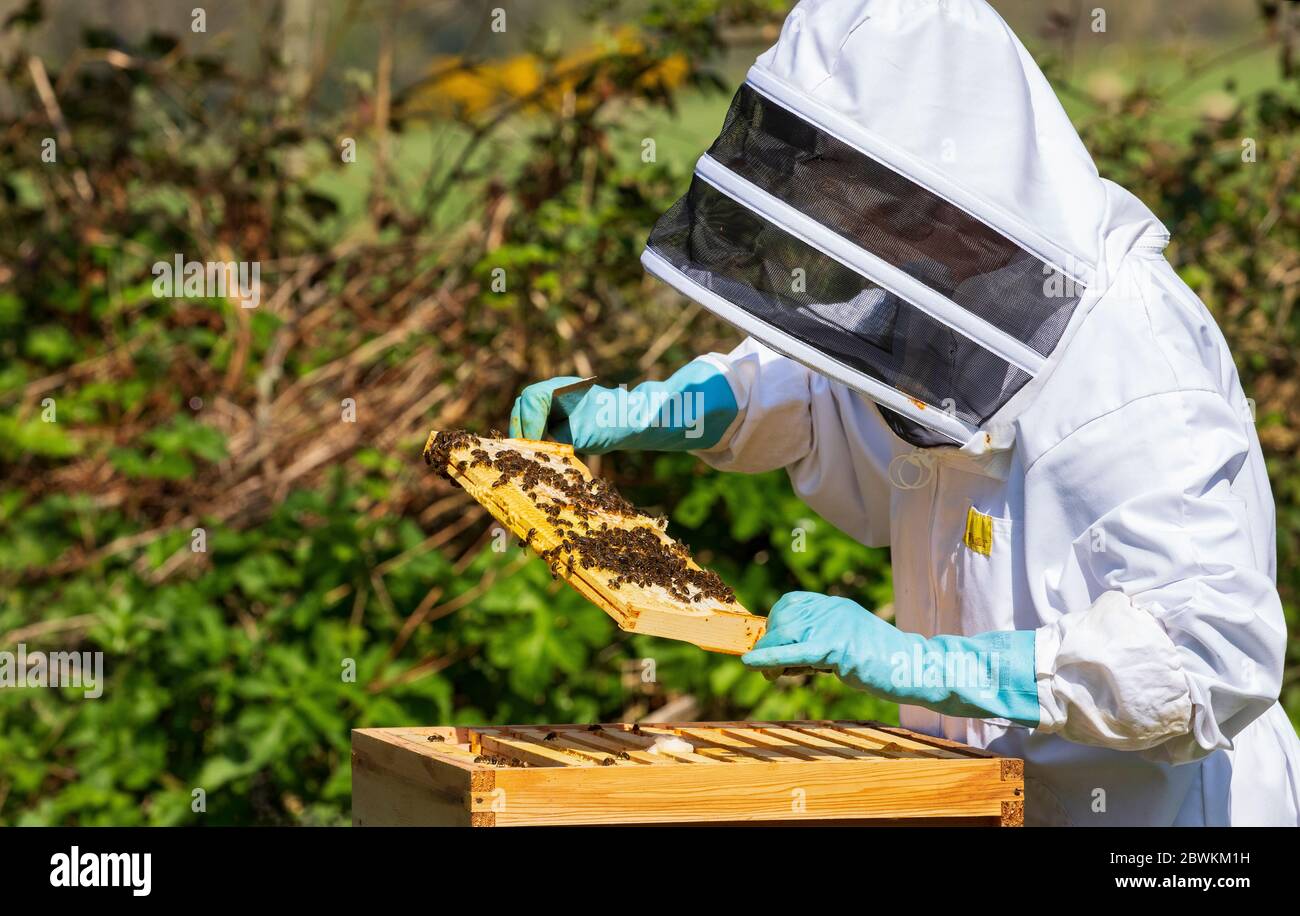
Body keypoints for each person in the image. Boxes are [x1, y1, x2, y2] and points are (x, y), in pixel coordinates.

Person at [508, 0, 1300, 826]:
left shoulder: (1138, 368)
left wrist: (916, 663)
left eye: (872, 203)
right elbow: (844, 397)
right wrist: (678, 407)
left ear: (949, 183)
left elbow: (1206, 659)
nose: (857, 232)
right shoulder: (962, 295)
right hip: (985, 793)